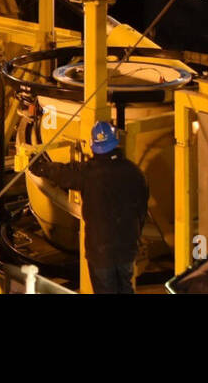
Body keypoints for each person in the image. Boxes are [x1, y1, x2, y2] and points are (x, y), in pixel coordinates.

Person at [29, 121, 149, 294]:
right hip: (127, 249)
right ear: (116, 143)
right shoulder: (135, 173)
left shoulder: (88, 173)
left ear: (94, 147)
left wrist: (39, 166)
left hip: (100, 253)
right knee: (125, 288)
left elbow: (62, 173)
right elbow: (142, 208)